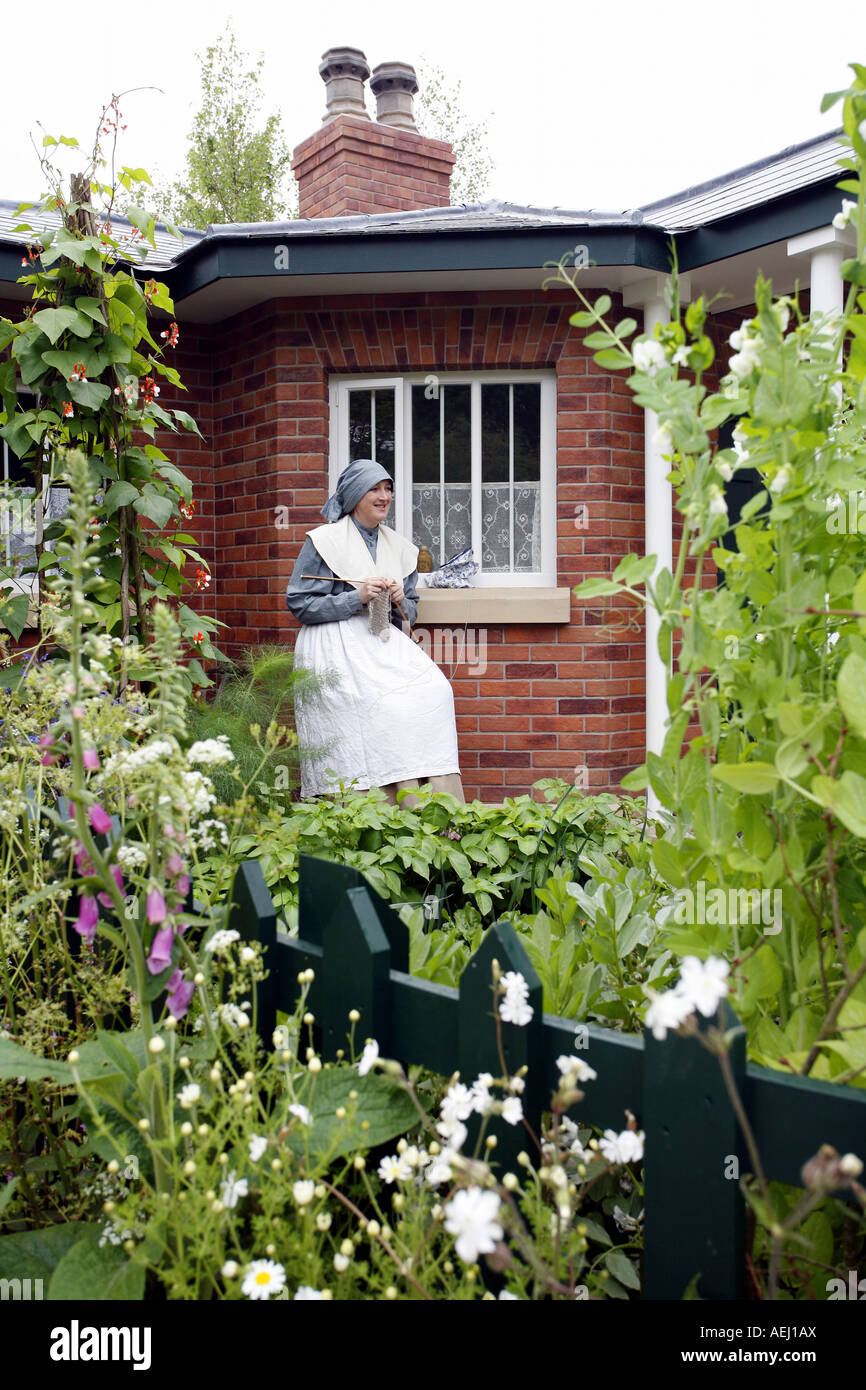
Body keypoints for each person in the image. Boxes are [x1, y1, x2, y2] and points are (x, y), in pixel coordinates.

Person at [286, 458, 465, 805]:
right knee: (379, 707)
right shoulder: (324, 541)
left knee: (434, 692)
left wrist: (401, 601)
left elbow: (410, 611)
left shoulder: (400, 548)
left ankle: (432, 807)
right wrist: (356, 597)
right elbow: (299, 604)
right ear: (355, 496)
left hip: (380, 640)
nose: (384, 497)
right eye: (375, 489)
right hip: (334, 643)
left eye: (388, 489)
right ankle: (370, 806)